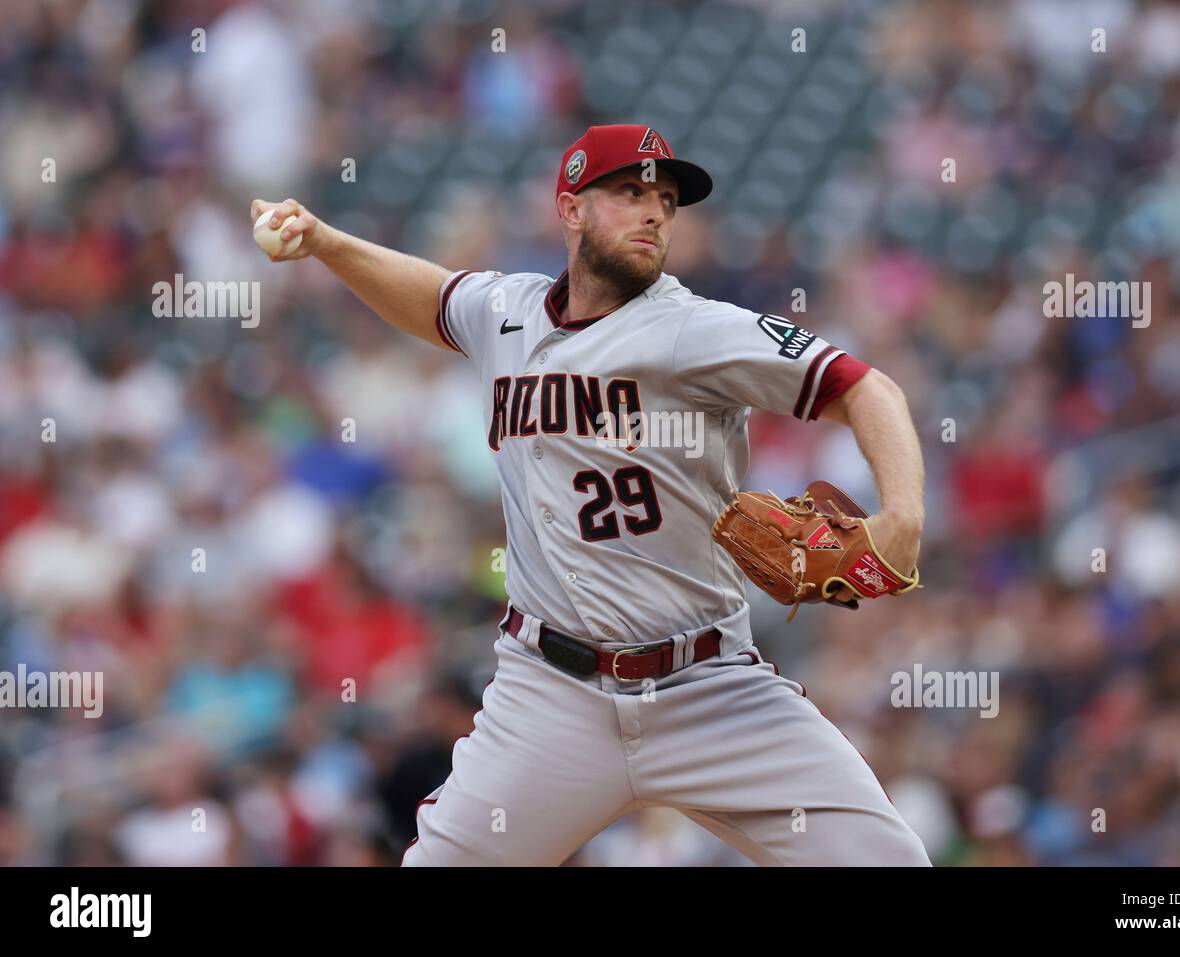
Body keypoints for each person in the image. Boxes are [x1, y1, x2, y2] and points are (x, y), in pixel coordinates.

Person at [252, 124, 930, 866]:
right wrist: (324, 242)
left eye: (667, 201)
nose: (655, 213)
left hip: (709, 686)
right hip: (551, 694)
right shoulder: (506, 312)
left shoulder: (694, 329)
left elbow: (866, 387)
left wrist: (903, 513)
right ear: (571, 209)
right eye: (631, 192)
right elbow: (434, 299)